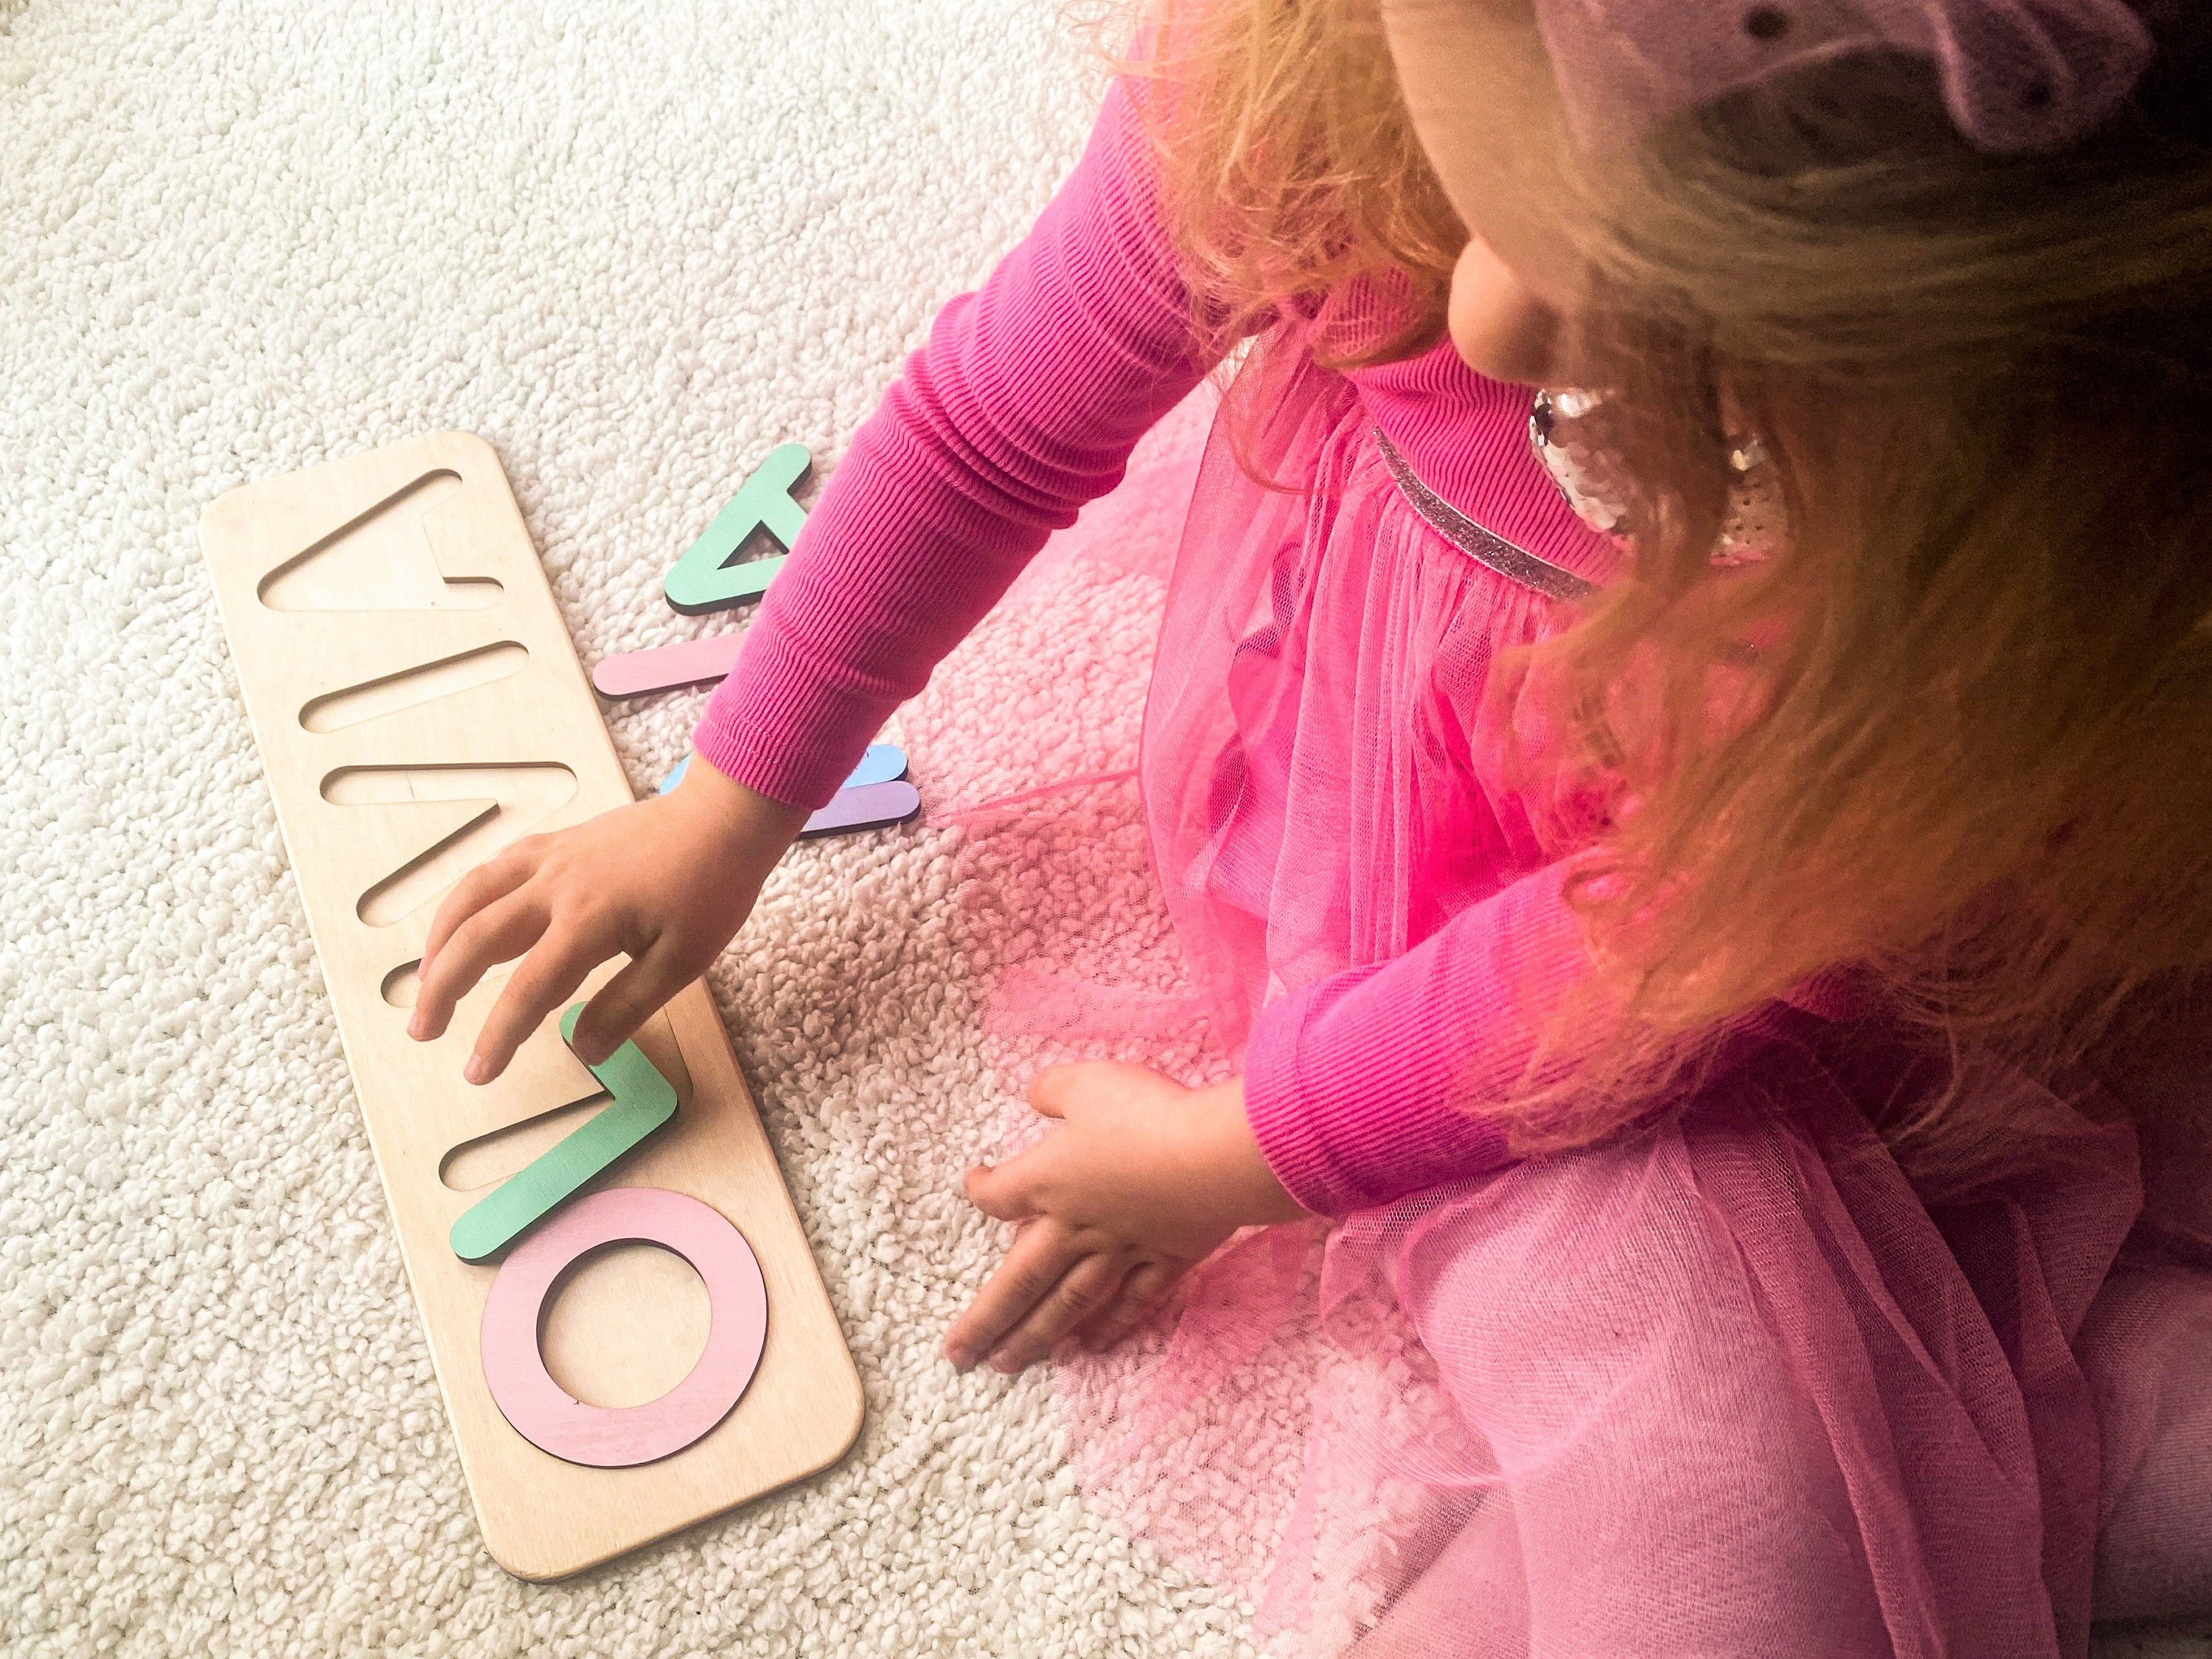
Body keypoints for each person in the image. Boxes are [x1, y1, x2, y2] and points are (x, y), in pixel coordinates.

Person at [408, 0, 2212, 1649]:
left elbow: (1685, 949)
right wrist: (729, 801)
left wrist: (1228, 1161)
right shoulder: (1312, 69)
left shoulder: (2020, 546)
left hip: (1744, 910)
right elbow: (986, 429)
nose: (1491, 327)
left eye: (1663, 339)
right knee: (1725, 1515)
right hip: (1457, 929)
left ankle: (2012, 1430)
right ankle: (2013, 1431)